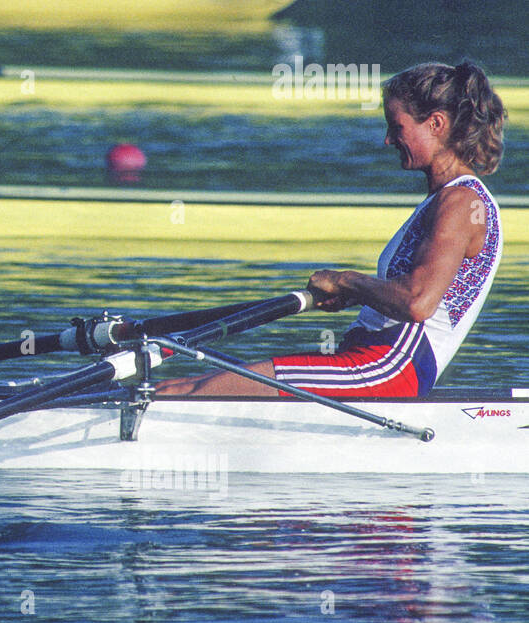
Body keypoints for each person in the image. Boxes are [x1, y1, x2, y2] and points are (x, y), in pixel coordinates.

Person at [157, 61, 505, 399]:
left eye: (396, 127)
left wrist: (345, 281)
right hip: (372, 363)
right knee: (193, 384)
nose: (388, 140)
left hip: (387, 370)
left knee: (185, 390)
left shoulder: (460, 202)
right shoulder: (447, 200)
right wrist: (357, 295)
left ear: (436, 124)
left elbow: (417, 303)